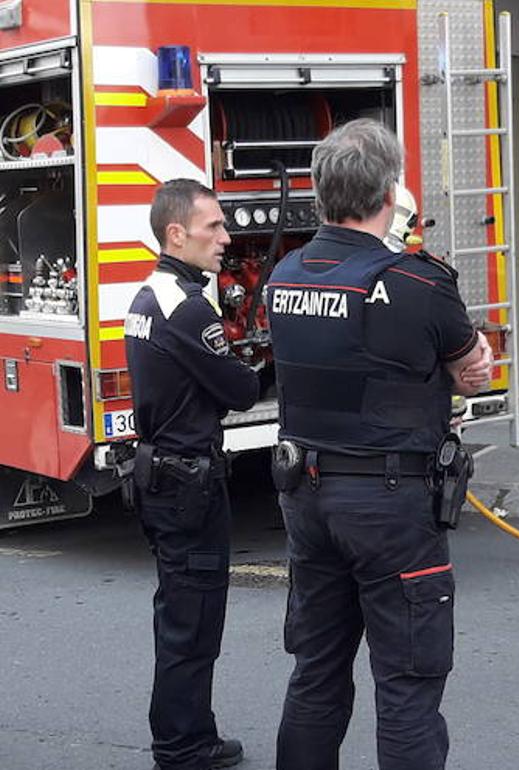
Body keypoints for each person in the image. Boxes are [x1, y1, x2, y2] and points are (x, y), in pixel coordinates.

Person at [266, 118, 492, 770]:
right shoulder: (421, 283)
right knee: (407, 689)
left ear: (318, 191)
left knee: (316, 672)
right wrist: (467, 360)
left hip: (306, 497)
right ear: (390, 191)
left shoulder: (284, 275)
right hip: (392, 506)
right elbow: (471, 364)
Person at [124, 179, 260, 770]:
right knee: (193, 622)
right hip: (189, 485)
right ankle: (182, 747)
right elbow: (240, 390)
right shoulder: (188, 308)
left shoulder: (146, 297)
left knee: (180, 615)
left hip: (162, 477)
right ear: (176, 233)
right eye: (214, 227)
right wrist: (248, 360)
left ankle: (191, 733)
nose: (226, 238)